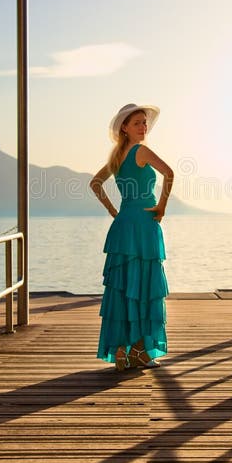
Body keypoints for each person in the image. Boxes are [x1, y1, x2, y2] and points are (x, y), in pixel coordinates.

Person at [90, 103, 174, 371]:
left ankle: (122, 352)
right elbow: (169, 173)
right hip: (143, 224)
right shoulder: (141, 151)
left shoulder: (117, 156)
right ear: (124, 127)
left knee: (125, 286)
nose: (143, 127)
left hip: (124, 224)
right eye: (137, 122)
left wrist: (114, 211)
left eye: (145, 122)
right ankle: (139, 350)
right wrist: (162, 206)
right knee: (144, 286)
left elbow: (95, 183)